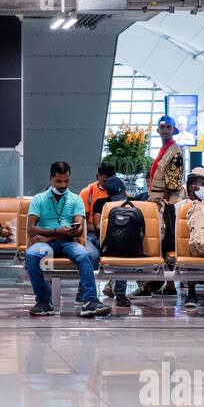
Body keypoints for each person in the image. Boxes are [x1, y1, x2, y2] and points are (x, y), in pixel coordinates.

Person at [24, 161, 110, 318]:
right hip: (44, 244)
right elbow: (30, 229)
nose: (63, 184)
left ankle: (90, 301)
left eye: (66, 180)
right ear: (51, 179)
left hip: (65, 242)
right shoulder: (39, 199)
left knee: (85, 255)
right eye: (59, 181)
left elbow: (78, 230)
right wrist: (57, 231)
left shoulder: (76, 200)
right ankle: (44, 302)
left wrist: (50, 235)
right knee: (31, 255)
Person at [144, 116, 185, 296]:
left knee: (166, 243)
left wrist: (163, 204)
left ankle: (169, 284)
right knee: (162, 244)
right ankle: (165, 284)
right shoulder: (164, 151)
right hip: (160, 203)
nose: (165, 130)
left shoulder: (174, 152)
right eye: (162, 127)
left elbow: (173, 184)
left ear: (173, 130)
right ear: (159, 131)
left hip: (166, 205)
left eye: (168, 127)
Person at [91, 176, 134, 308]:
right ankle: (119, 293)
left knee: (124, 246)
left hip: (128, 240)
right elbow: (98, 227)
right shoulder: (101, 203)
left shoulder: (132, 202)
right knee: (121, 248)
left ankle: (118, 290)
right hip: (108, 240)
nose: (120, 199)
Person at [177, 167, 204, 308]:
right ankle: (191, 292)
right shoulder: (181, 207)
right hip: (189, 243)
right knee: (190, 248)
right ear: (193, 187)